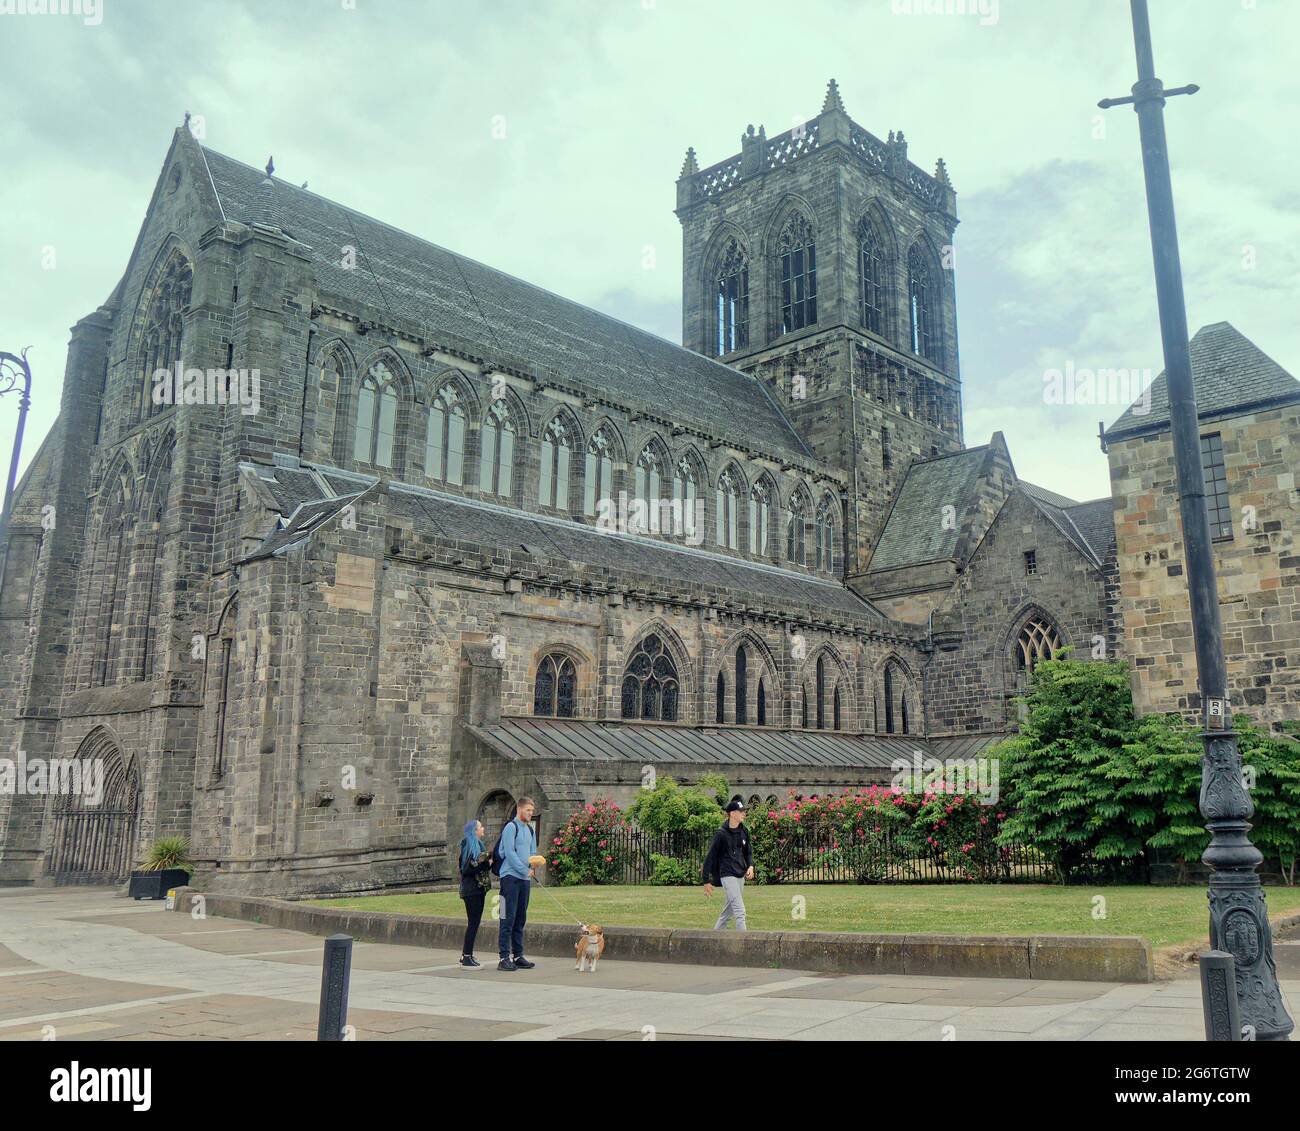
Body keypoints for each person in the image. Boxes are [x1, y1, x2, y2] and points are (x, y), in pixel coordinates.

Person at [497, 797, 539, 971]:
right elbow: (509, 853)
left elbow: (532, 852)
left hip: (524, 880)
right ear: (519, 809)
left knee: (521, 917)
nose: (530, 813)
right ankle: (504, 957)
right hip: (510, 878)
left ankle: (518, 955)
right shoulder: (510, 827)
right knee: (507, 917)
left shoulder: (530, 830)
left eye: (532, 811)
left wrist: (533, 864)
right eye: (528, 810)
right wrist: (524, 869)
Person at [702, 795, 754, 931]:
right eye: (741, 811)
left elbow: (748, 852)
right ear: (732, 813)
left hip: (740, 874)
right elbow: (710, 857)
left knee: (727, 912)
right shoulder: (721, 834)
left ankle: (714, 937)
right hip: (727, 875)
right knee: (740, 910)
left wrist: (750, 866)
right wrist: (706, 880)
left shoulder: (744, 831)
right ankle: (743, 944)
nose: (744, 813)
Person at [457, 818, 491, 967]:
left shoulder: (479, 845)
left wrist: (488, 864)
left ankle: (467, 954)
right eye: (480, 826)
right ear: (474, 830)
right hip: (471, 890)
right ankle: (466, 956)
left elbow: (481, 868)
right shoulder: (468, 846)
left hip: (478, 889)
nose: (483, 828)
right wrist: (484, 864)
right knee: (473, 923)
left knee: (475, 923)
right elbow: (466, 870)